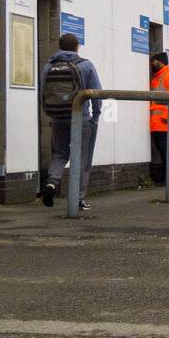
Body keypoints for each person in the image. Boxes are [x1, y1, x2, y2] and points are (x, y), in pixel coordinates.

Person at [40, 32, 102, 210]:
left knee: (59, 154)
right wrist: (95, 116)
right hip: (81, 119)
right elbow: (97, 93)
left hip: (58, 117)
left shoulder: (49, 66)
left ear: (59, 46)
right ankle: (78, 199)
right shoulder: (86, 65)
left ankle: (52, 183)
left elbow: (43, 92)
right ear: (77, 47)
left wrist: (50, 113)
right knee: (81, 157)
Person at [149, 51, 169, 185]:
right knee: (164, 151)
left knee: (166, 151)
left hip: (166, 122)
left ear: (160, 62)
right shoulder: (156, 77)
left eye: (153, 61)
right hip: (158, 123)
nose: (151, 64)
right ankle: (167, 178)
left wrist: (165, 118)